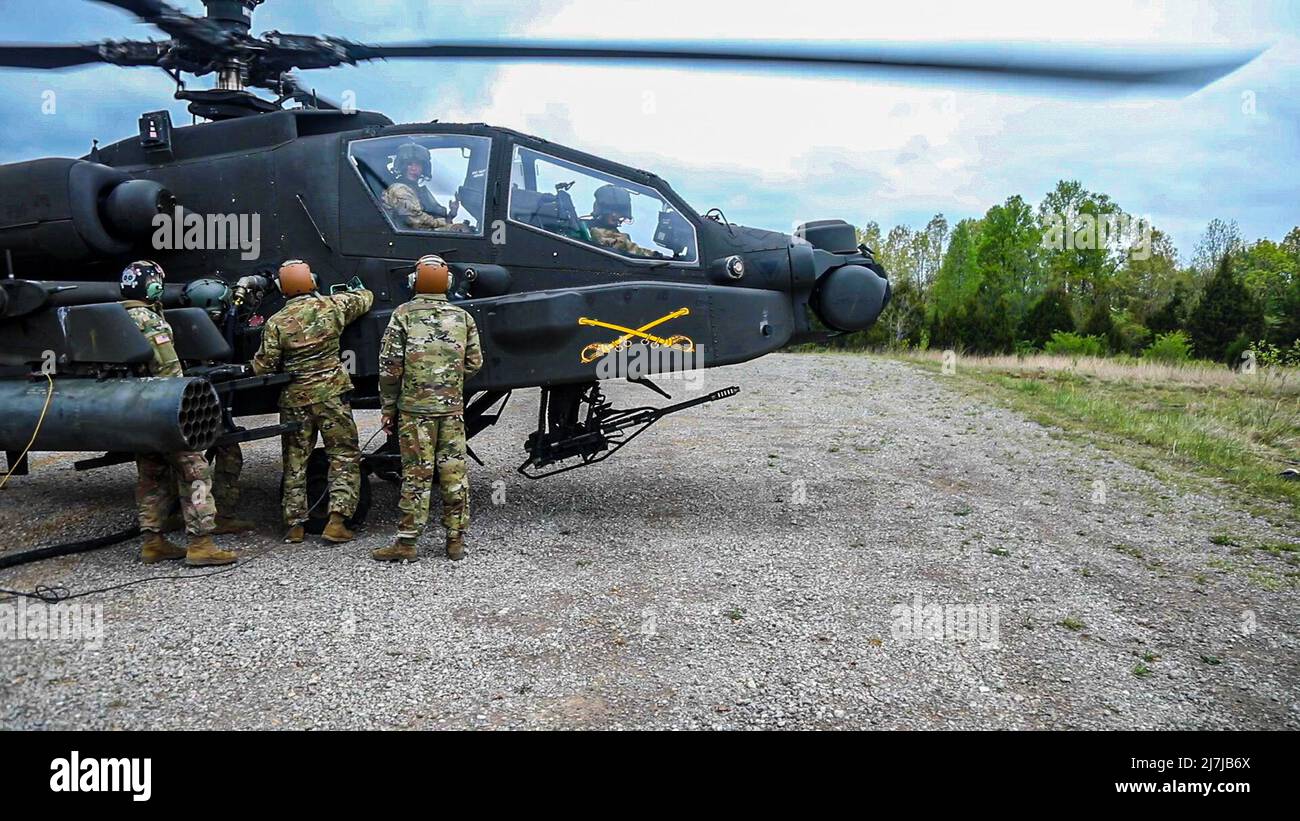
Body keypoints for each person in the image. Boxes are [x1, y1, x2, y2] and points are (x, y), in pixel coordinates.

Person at [119, 260, 238, 567]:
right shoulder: (149, 320)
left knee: (151, 475)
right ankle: (201, 543)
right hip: (164, 409)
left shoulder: (118, 317)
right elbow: (169, 370)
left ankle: (153, 542)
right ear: (152, 286)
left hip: (136, 409)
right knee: (195, 472)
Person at [250, 260, 374, 544]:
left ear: (282, 289)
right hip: (331, 396)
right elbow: (365, 298)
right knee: (343, 455)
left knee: (295, 461)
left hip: (295, 399)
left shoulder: (275, 322)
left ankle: (294, 525)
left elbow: (264, 366)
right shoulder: (332, 307)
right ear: (313, 283)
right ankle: (337, 521)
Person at [372, 254, 483, 562]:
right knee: (454, 473)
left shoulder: (402, 315)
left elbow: (390, 367)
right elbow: (474, 363)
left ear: (414, 281)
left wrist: (388, 407)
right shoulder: (463, 318)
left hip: (414, 412)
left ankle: (407, 543)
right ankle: (455, 541)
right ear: (447, 283)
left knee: (416, 476)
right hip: (451, 410)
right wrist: (447, 380)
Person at [181, 277, 253, 535]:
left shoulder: (186, 326)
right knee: (195, 469)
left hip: (204, 410)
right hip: (195, 414)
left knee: (227, 454)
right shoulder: (197, 334)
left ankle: (219, 514)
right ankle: (203, 529)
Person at [382, 142, 471, 233]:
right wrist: (451, 228)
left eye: (418, 164)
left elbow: (430, 222)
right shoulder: (399, 190)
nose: (414, 168)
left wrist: (451, 215)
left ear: (424, 168)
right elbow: (418, 222)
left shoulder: (418, 190)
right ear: (402, 166)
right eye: (409, 164)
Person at [586, 184, 662, 258]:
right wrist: (657, 256)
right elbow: (628, 248)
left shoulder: (591, 227)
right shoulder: (598, 232)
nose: (620, 218)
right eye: (617, 213)